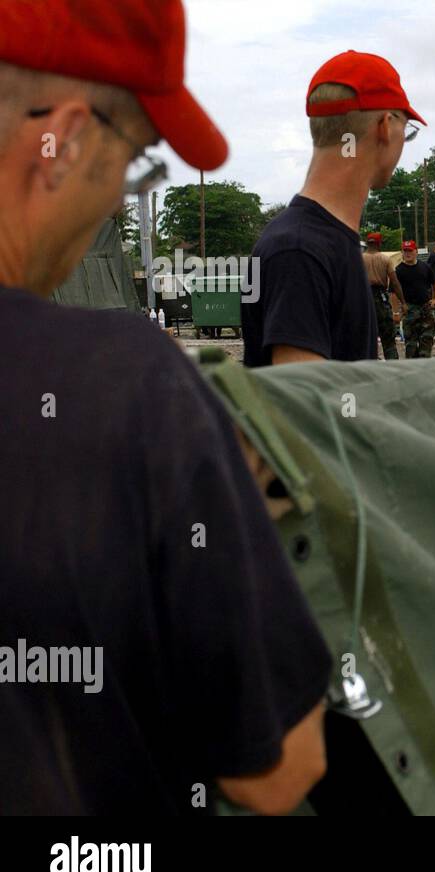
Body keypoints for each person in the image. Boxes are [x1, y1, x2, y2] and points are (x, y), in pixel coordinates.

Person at [0, 0, 329, 814]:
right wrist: (233, 517)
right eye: (134, 164)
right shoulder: (130, 386)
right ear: (63, 141)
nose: (118, 200)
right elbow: (278, 770)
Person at [240, 50, 424, 366]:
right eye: (406, 131)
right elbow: (305, 395)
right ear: (385, 126)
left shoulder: (314, 241)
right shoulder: (299, 250)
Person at [364, 231, 406, 360]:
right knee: (388, 340)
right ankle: (393, 365)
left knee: (366, 339)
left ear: (367, 243)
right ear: (379, 244)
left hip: (364, 299)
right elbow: (395, 282)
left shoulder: (359, 258)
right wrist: (403, 303)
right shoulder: (385, 259)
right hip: (381, 299)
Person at [395, 239, 435, 358]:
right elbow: (393, 292)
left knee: (427, 342)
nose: (407, 253)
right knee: (411, 346)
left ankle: (424, 366)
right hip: (409, 310)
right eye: (405, 251)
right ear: (402, 252)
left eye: (410, 251)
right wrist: (396, 311)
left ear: (416, 251)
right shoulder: (398, 270)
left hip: (426, 309)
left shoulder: (425, 267)